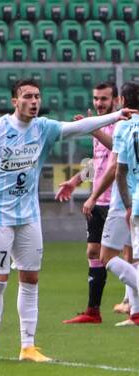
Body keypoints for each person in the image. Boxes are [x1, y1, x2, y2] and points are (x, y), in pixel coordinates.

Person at [0, 78, 134, 364]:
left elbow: (77, 127)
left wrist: (117, 115)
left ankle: (28, 346)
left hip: (29, 215)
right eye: (27, 97)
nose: (33, 101)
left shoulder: (43, 128)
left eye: (37, 96)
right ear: (15, 101)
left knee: (30, 278)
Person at [56, 80, 119, 324]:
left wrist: (93, 128)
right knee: (93, 252)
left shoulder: (121, 124)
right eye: (96, 98)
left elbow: (116, 149)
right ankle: (93, 311)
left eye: (104, 99)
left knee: (122, 255)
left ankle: (132, 306)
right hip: (98, 201)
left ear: (115, 100)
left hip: (117, 200)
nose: (99, 103)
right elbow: (98, 162)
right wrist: (74, 181)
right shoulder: (99, 126)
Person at [94, 85, 139, 327]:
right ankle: (136, 314)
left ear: (120, 100)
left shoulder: (122, 125)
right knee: (132, 256)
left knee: (107, 256)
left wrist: (128, 204)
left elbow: (118, 169)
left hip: (125, 200)